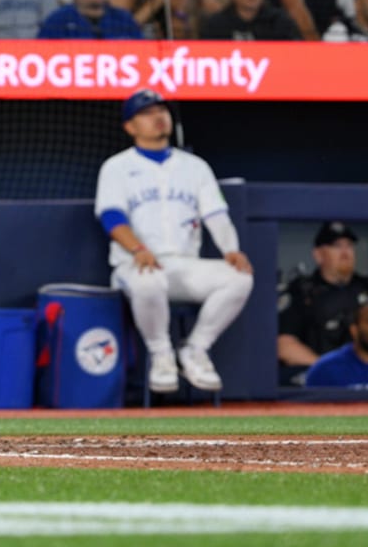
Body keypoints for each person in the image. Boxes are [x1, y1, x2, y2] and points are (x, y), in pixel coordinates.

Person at [94, 89, 254, 393]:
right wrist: (138, 249)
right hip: (134, 265)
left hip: (184, 265)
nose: (157, 117)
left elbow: (216, 215)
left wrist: (231, 249)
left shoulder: (194, 166)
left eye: (161, 110)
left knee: (239, 278)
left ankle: (195, 349)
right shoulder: (116, 167)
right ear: (130, 126)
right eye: (146, 113)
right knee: (148, 280)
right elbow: (111, 217)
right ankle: (161, 355)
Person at [279, 221, 368, 384]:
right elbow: (285, 345)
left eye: (349, 246)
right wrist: (332, 370)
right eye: (337, 246)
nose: (345, 252)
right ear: (318, 255)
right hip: (325, 383)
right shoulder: (303, 291)